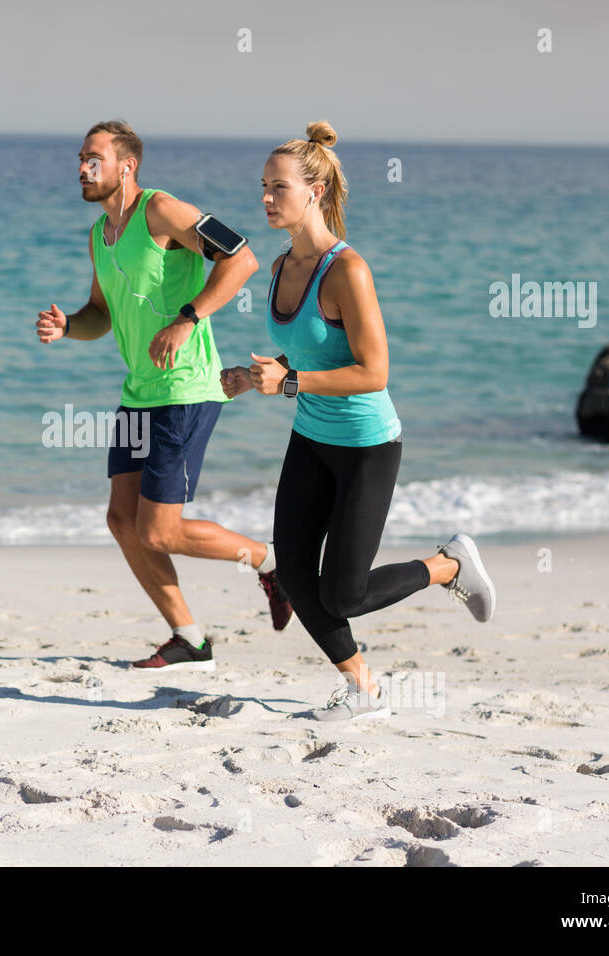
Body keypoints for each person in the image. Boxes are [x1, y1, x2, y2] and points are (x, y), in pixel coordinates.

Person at [221, 120, 496, 719]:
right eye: (263, 187)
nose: (267, 198)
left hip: (367, 445)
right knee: (293, 573)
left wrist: (289, 381)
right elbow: (316, 350)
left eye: (279, 188)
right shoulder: (278, 269)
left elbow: (374, 371)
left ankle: (448, 564)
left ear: (314, 192)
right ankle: (363, 690)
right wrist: (255, 376)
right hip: (311, 437)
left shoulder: (348, 269)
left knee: (342, 593)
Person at [36, 118, 293, 672]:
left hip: (184, 389)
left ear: (126, 166)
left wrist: (188, 317)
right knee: (122, 523)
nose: (83, 167)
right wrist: (68, 327)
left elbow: (241, 256)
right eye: (81, 157)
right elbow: (101, 314)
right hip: (139, 394)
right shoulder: (99, 236)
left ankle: (273, 564)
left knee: (161, 530)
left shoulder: (161, 210)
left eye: (94, 158)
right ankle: (189, 638)